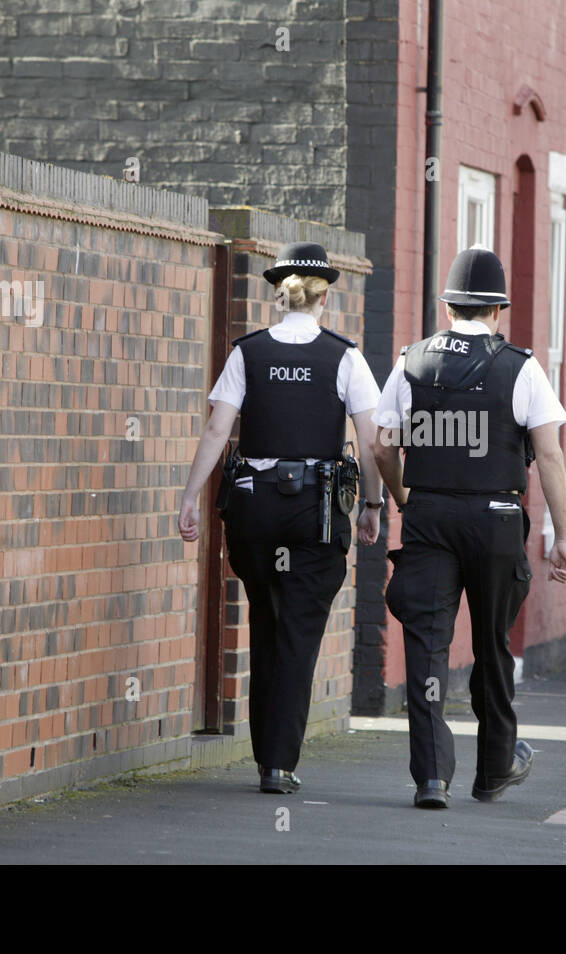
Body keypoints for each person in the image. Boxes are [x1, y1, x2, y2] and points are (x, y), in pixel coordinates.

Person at [372, 245, 566, 810]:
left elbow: (382, 446)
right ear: (498, 309)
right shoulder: (521, 365)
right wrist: (564, 537)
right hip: (496, 519)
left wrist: (405, 498)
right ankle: (493, 769)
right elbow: (550, 456)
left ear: (447, 306)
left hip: (430, 517)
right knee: (491, 647)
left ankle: (431, 777)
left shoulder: (411, 360)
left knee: (427, 646)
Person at [177, 241, 385, 794]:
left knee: (267, 622)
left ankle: (266, 754)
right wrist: (372, 503)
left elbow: (218, 431)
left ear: (280, 293)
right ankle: (277, 763)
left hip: (253, 510)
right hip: (315, 513)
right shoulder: (346, 356)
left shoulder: (248, 352)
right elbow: (369, 440)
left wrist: (190, 497)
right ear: (324, 297)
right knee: (298, 631)